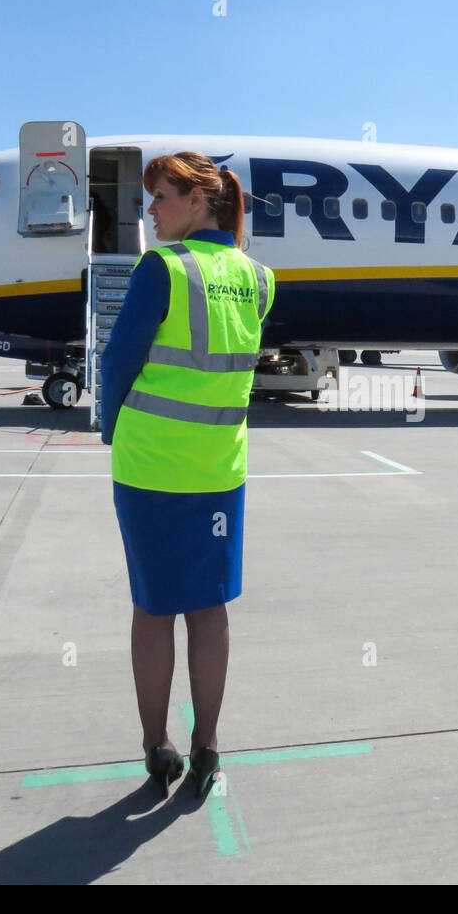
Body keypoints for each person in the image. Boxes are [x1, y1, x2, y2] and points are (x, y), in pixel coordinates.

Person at [100, 151, 275, 800]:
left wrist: (109, 429)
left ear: (198, 202)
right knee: (210, 610)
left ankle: (157, 748)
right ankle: (207, 747)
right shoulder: (260, 278)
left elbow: (120, 361)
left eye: (162, 197)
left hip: (150, 469)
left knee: (153, 609)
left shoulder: (162, 268)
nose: (151, 210)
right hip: (220, 471)